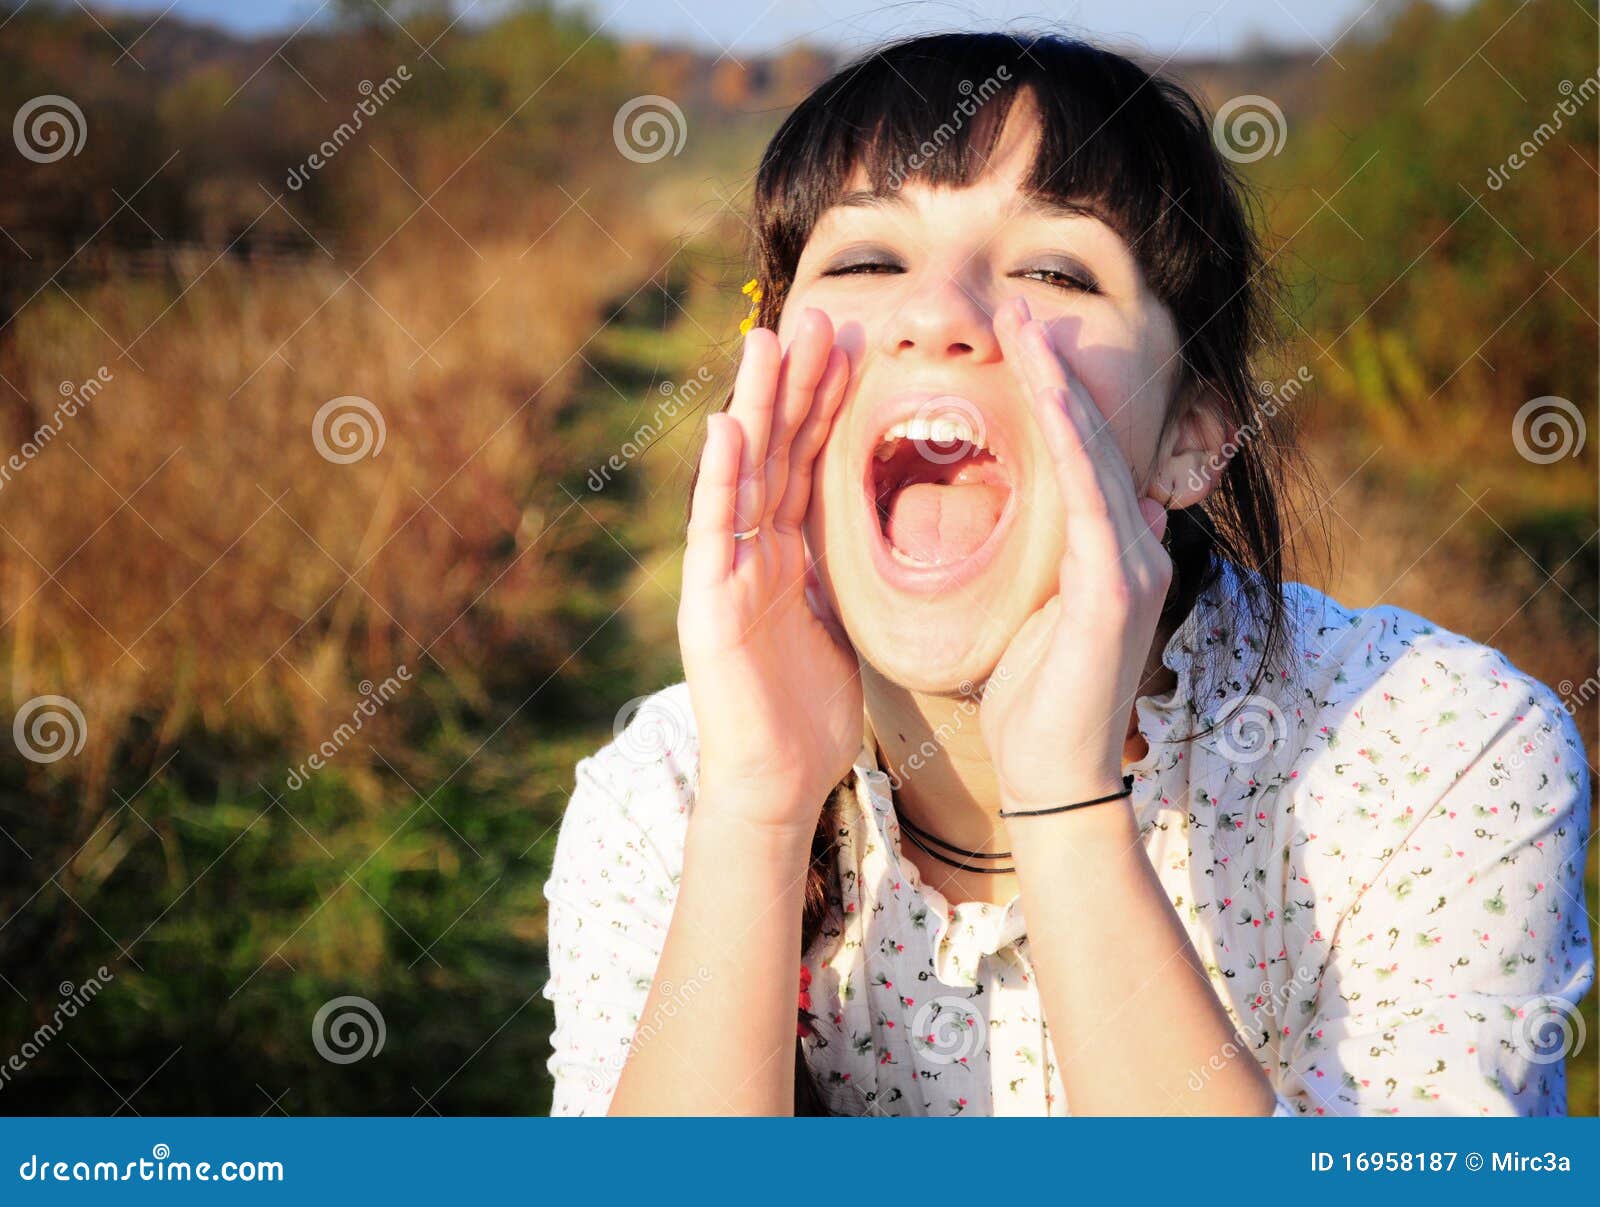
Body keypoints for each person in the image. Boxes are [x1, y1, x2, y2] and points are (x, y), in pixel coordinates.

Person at [540, 31, 1593, 1116]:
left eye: (1053, 270)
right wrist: (758, 815)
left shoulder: (1432, 754)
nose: (937, 314)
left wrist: (1066, 802)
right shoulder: (668, 794)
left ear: (1192, 435)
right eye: (867, 262)